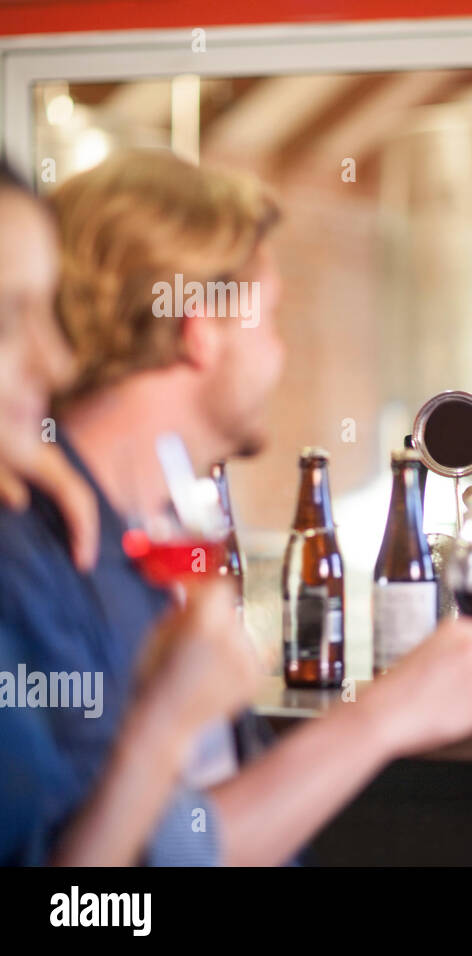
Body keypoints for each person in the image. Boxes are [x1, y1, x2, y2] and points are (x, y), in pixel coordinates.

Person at [0, 149, 472, 866]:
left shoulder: (153, 526)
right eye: (271, 317)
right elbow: (102, 882)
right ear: (201, 329)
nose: (280, 355)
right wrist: (387, 714)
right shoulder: (37, 552)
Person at [0, 158, 262, 865]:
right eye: (7, 318)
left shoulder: (94, 514)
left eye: (48, 311)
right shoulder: (35, 549)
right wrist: (164, 730)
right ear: (198, 326)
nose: (55, 362)